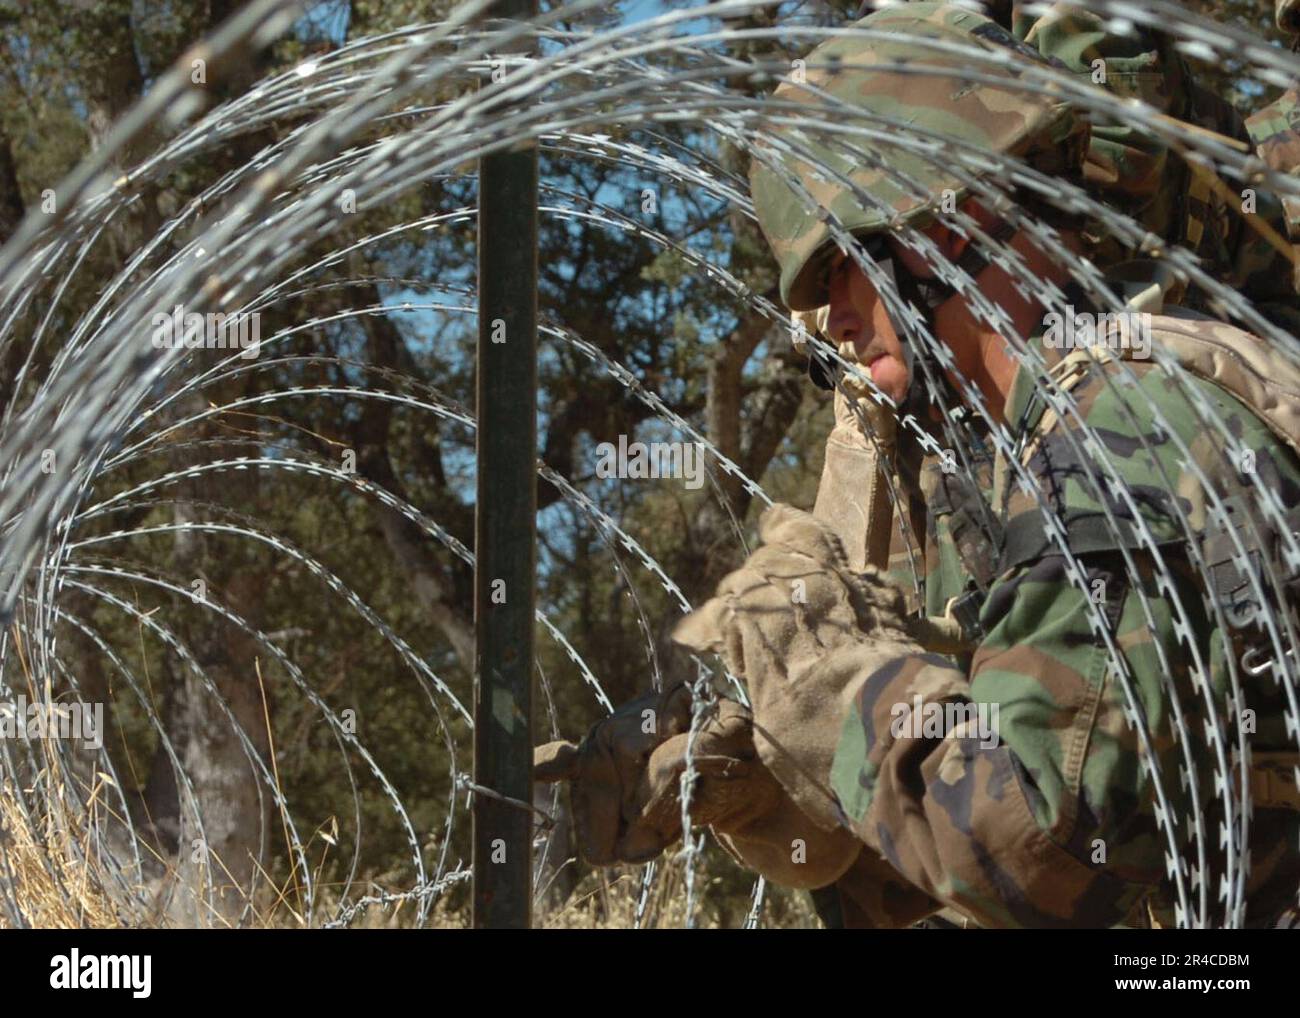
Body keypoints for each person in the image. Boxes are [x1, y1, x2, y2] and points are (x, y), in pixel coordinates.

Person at [536, 2, 1300, 928]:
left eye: (841, 268)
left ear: (953, 221)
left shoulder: (1120, 429)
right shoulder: (1028, 447)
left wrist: (835, 682)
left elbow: (1037, 848)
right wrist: (780, 769)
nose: (829, 322)